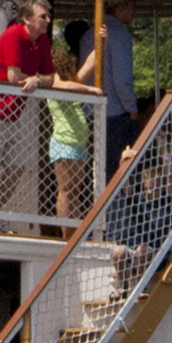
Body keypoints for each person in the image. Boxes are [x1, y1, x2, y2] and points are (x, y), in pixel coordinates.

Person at [0, 0, 54, 222]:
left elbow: (51, 77)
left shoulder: (42, 41)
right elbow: (12, 76)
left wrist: (38, 80)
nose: (48, 20)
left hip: (14, 111)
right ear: (26, 19)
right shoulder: (13, 35)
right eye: (42, 16)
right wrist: (34, 78)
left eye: (48, 16)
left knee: (16, 168)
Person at [74, 0, 140, 175]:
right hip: (113, 115)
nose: (135, 11)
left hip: (88, 111)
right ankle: (114, 203)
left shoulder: (89, 34)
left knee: (91, 170)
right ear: (121, 7)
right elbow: (121, 81)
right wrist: (132, 109)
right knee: (116, 170)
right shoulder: (120, 35)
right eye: (132, 6)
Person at [43, 39, 102, 223]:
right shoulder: (56, 82)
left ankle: (74, 230)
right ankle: (66, 233)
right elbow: (64, 86)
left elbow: (90, 64)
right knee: (66, 190)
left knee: (76, 191)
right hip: (64, 142)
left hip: (78, 143)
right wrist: (90, 89)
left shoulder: (73, 82)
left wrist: (101, 41)